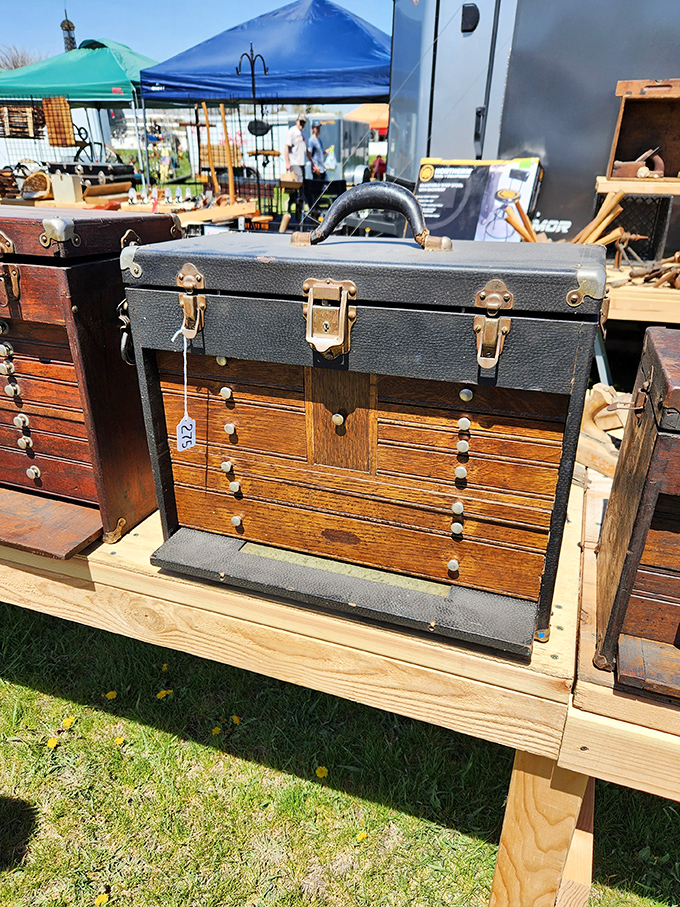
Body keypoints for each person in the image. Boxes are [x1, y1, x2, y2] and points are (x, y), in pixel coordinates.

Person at [284, 114, 308, 182]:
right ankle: (298, 193)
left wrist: (312, 161)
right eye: (301, 122)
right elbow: (286, 147)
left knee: (302, 182)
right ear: (297, 121)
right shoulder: (292, 131)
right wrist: (287, 162)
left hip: (302, 162)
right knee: (299, 180)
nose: (302, 124)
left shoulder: (304, 133)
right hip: (294, 162)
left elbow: (306, 149)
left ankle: (298, 193)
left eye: (303, 122)